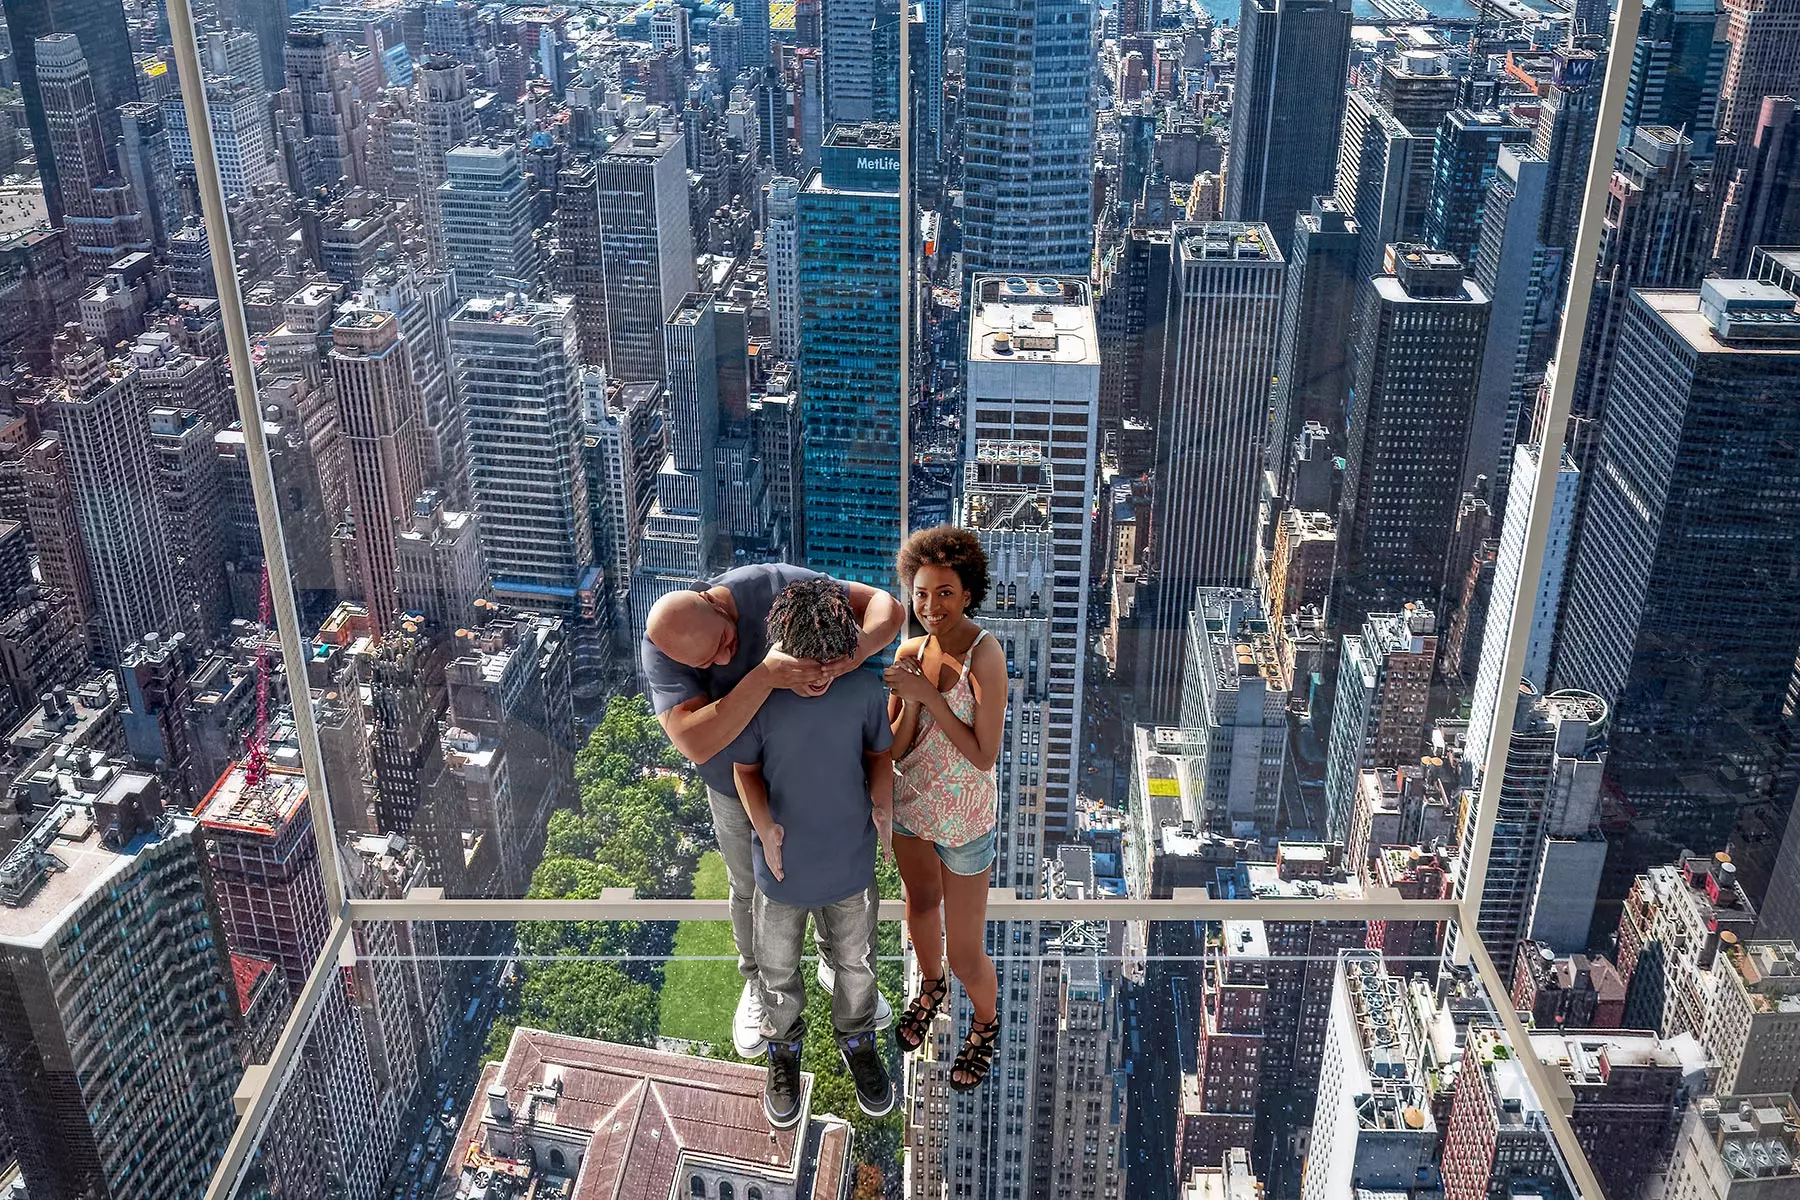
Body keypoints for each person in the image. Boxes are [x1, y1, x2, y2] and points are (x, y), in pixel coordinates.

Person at [642, 565, 903, 1057]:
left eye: (724, 640)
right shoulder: (663, 647)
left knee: (839, 874)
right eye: (708, 663)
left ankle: (837, 964)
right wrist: (765, 676)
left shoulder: (770, 584)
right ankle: (758, 983)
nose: (723, 656)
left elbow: (887, 609)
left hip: (816, 768)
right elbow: (694, 742)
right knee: (749, 888)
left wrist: (850, 656)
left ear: (716, 603)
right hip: (733, 781)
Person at [731, 577, 896, 1126]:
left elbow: (877, 754)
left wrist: (883, 803)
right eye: (809, 662)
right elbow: (744, 771)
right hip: (780, 870)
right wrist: (765, 827)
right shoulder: (761, 698)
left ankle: (858, 1041)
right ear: (783, 649)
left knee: (856, 963)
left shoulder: (865, 689)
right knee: (777, 972)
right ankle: (783, 1052)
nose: (822, 674)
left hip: (850, 859)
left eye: (832, 659)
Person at [882, 526, 1005, 1092]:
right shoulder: (910, 652)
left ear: (968, 593)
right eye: (922, 593)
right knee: (919, 909)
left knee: (965, 953)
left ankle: (985, 1022)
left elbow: (984, 755)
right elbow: (899, 746)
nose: (931, 606)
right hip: (912, 805)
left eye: (945, 593)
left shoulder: (986, 655)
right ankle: (929, 990)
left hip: (965, 818)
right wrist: (910, 700)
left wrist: (930, 696)